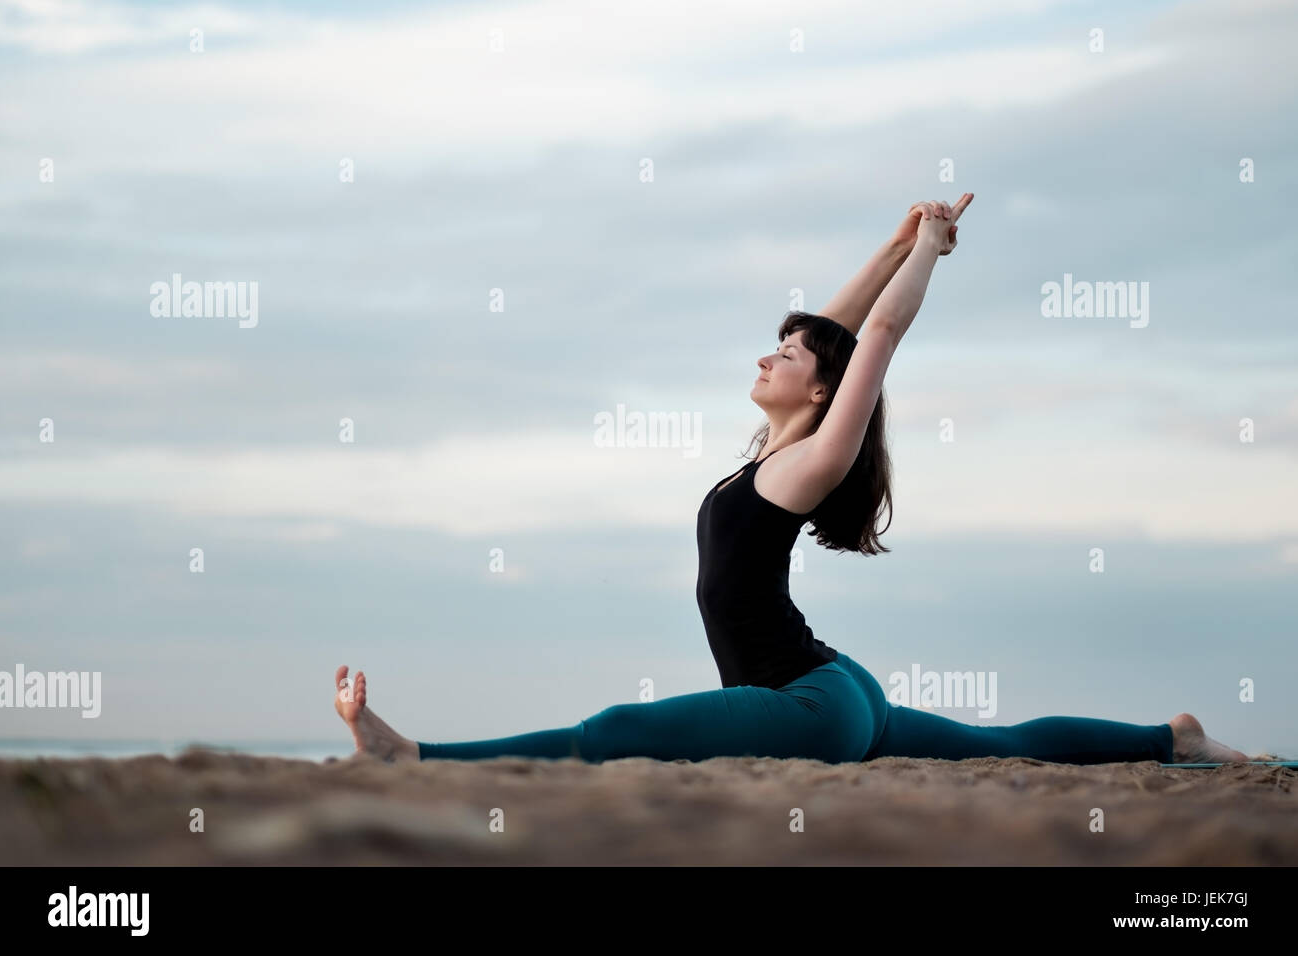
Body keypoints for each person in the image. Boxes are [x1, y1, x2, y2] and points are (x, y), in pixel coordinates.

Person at [333, 194, 1248, 767]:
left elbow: (870, 344)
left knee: (615, 730)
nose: (768, 355)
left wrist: (931, 248)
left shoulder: (813, 460)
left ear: (818, 389)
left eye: (785, 354)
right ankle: (1173, 740)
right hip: (835, 685)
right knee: (994, 747)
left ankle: (415, 754)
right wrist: (891, 244)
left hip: (810, 707)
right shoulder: (768, 455)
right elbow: (835, 332)